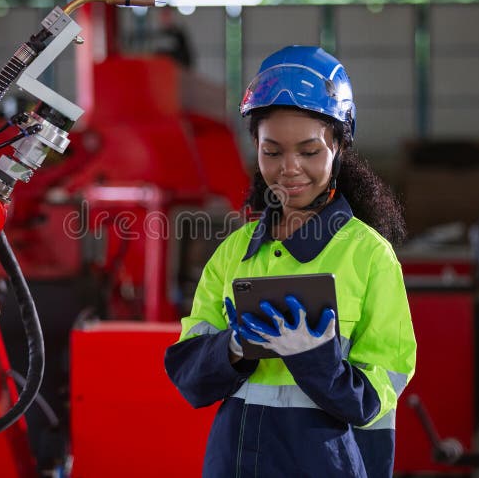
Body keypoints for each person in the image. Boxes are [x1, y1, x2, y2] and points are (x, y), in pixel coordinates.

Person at [164, 45, 416, 477]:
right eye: (273, 151)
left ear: (339, 145)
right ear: (256, 148)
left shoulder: (370, 256)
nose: (290, 168)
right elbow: (189, 374)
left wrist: (318, 361)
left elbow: (377, 397)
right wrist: (233, 349)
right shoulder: (234, 252)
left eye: (309, 150)